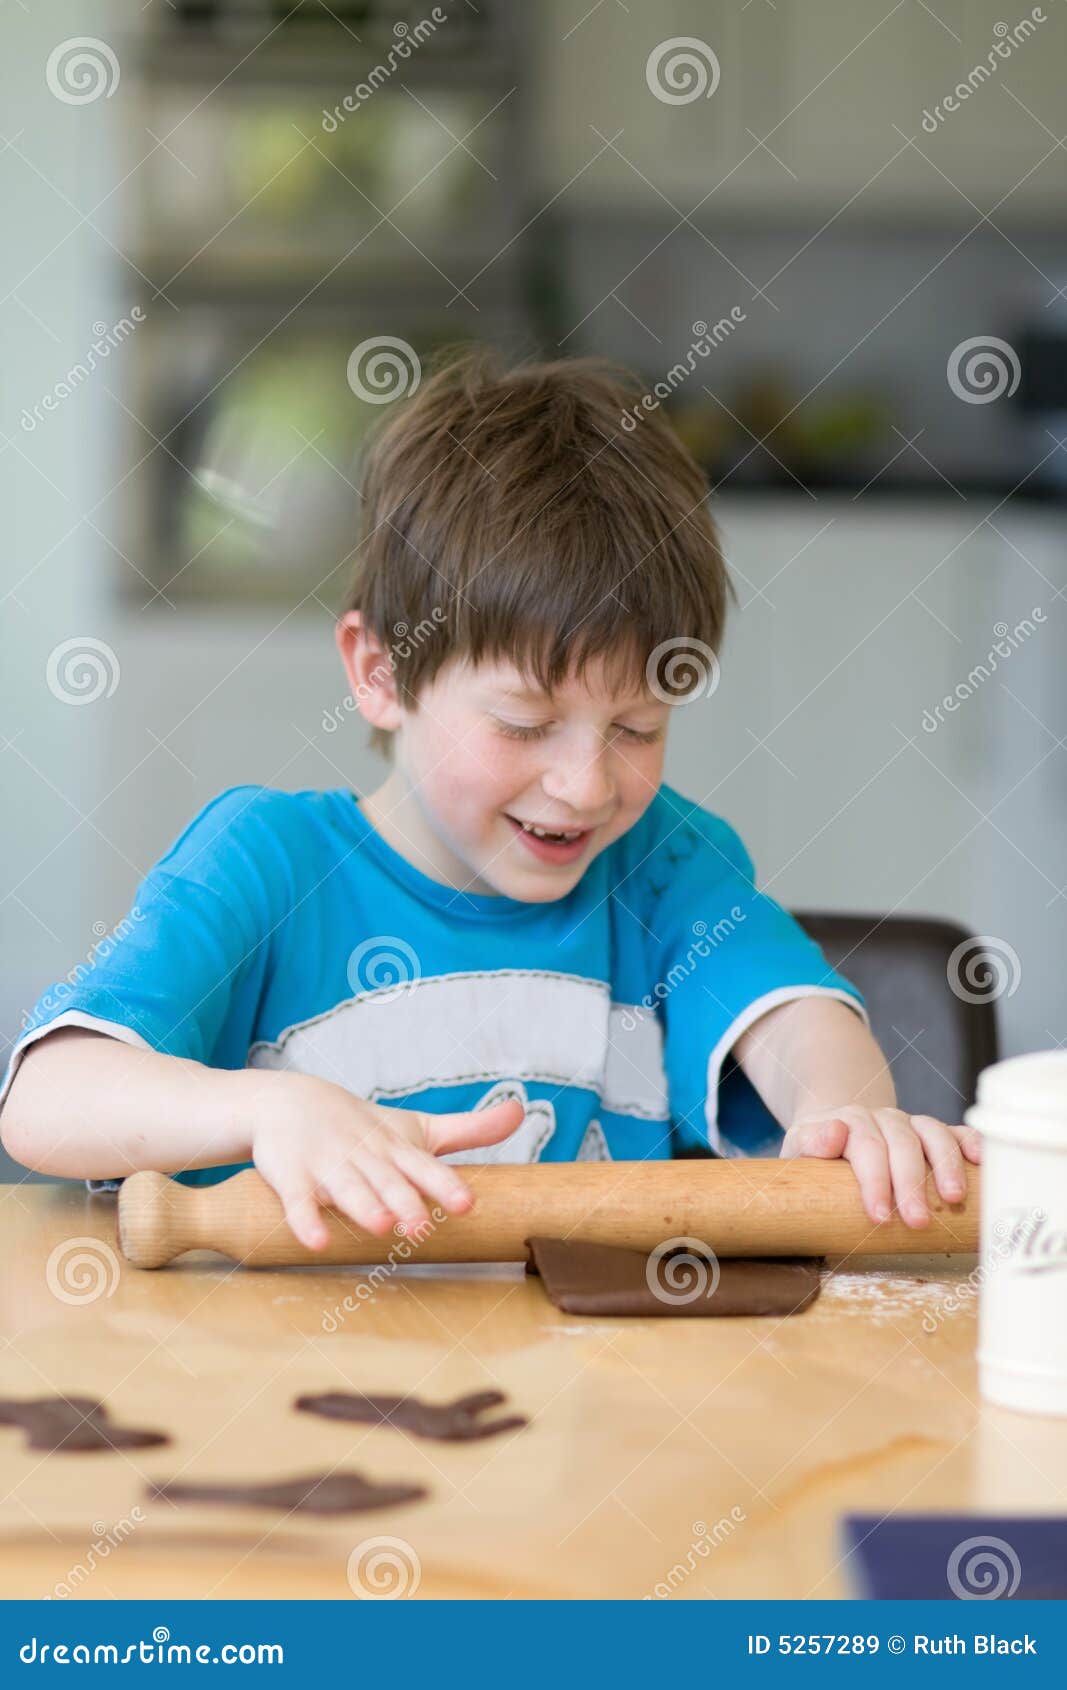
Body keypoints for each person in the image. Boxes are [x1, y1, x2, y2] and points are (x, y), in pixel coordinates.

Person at [0, 349, 979, 1250]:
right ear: (380, 673)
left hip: (599, 1385)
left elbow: (793, 1017)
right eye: (522, 723)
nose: (586, 785)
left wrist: (843, 1113)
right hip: (299, 1372)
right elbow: (46, 1100)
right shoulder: (264, 862)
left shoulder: (664, 864)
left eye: (636, 728)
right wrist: (265, 1110)